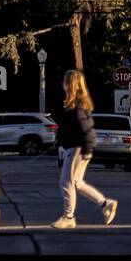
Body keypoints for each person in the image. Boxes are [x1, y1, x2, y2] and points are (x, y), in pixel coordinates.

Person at [51, 69, 117, 229]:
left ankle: (68, 217)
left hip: (77, 148)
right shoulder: (80, 105)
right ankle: (105, 203)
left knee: (66, 181)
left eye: (65, 82)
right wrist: (60, 140)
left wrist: (85, 148)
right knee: (78, 183)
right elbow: (73, 128)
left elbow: (83, 130)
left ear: (70, 85)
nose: (63, 84)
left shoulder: (77, 107)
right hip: (80, 147)